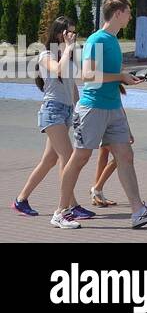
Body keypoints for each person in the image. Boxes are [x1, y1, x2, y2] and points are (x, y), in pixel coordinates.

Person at [50, 0, 147, 229]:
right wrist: (122, 76)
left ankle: (139, 211)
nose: (131, 16)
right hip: (92, 108)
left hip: (113, 107)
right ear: (117, 14)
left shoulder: (113, 41)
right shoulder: (97, 40)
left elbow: (111, 80)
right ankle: (61, 212)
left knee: (125, 156)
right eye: (128, 12)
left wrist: (124, 87)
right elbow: (87, 75)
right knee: (80, 158)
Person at [13, 17, 96, 220]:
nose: (74, 37)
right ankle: (71, 205)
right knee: (68, 158)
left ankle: (21, 200)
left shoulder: (66, 55)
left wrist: (79, 108)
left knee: (49, 160)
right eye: (70, 33)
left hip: (66, 111)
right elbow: (57, 70)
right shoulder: (46, 54)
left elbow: (71, 85)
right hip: (52, 111)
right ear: (60, 33)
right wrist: (68, 48)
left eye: (74, 33)